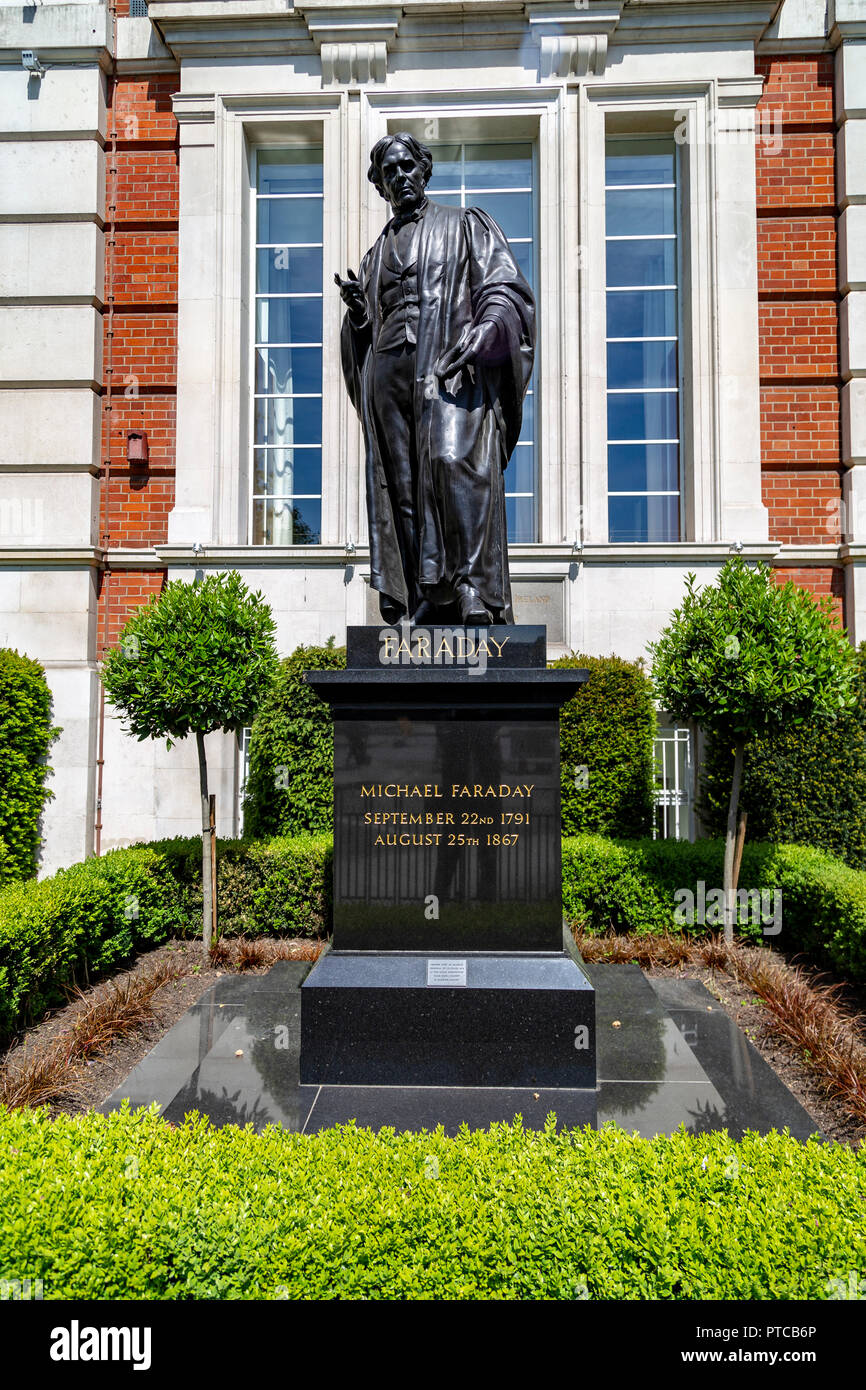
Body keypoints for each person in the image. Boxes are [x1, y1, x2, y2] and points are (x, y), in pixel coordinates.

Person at [337, 132, 535, 626]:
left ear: (424, 170)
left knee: (452, 462)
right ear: (380, 186)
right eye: (389, 173)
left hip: (447, 371)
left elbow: (505, 290)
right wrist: (360, 316)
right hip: (387, 374)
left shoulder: (464, 225)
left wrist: (486, 331)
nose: (400, 177)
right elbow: (366, 328)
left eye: (407, 167)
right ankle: (420, 597)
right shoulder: (375, 254)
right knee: (401, 486)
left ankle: (472, 589)